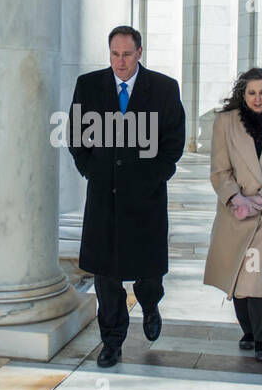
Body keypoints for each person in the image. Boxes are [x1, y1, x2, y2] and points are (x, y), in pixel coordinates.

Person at [69, 25, 185, 369]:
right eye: (115, 54)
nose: (120, 62)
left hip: (145, 197)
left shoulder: (163, 89)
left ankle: (150, 305)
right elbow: (77, 137)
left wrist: (153, 177)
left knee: (147, 273)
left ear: (140, 52)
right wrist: (92, 170)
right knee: (106, 276)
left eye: (127, 54)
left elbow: (172, 144)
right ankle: (112, 341)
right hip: (104, 196)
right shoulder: (89, 86)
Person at [203, 69, 262, 362]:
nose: (257, 99)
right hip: (235, 208)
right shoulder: (224, 122)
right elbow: (219, 169)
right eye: (251, 93)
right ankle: (248, 330)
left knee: (255, 273)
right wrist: (237, 198)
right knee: (238, 273)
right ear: (242, 95)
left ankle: (261, 339)